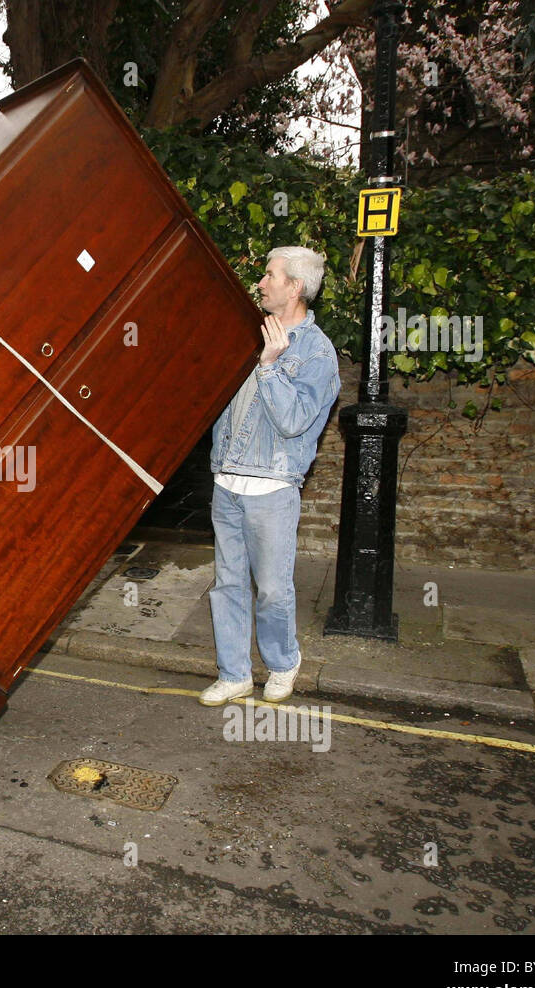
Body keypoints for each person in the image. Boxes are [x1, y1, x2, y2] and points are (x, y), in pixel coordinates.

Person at [200, 246, 340, 707]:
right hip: (227, 479)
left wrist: (270, 365)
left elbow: (295, 421)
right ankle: (234, 674)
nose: (260, 283)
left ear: (294, 287)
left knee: (274, 589)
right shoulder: (251, 331)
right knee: (227, 585)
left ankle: (282, 664)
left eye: (270, 275)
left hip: (272, 487)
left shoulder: (316, 352)